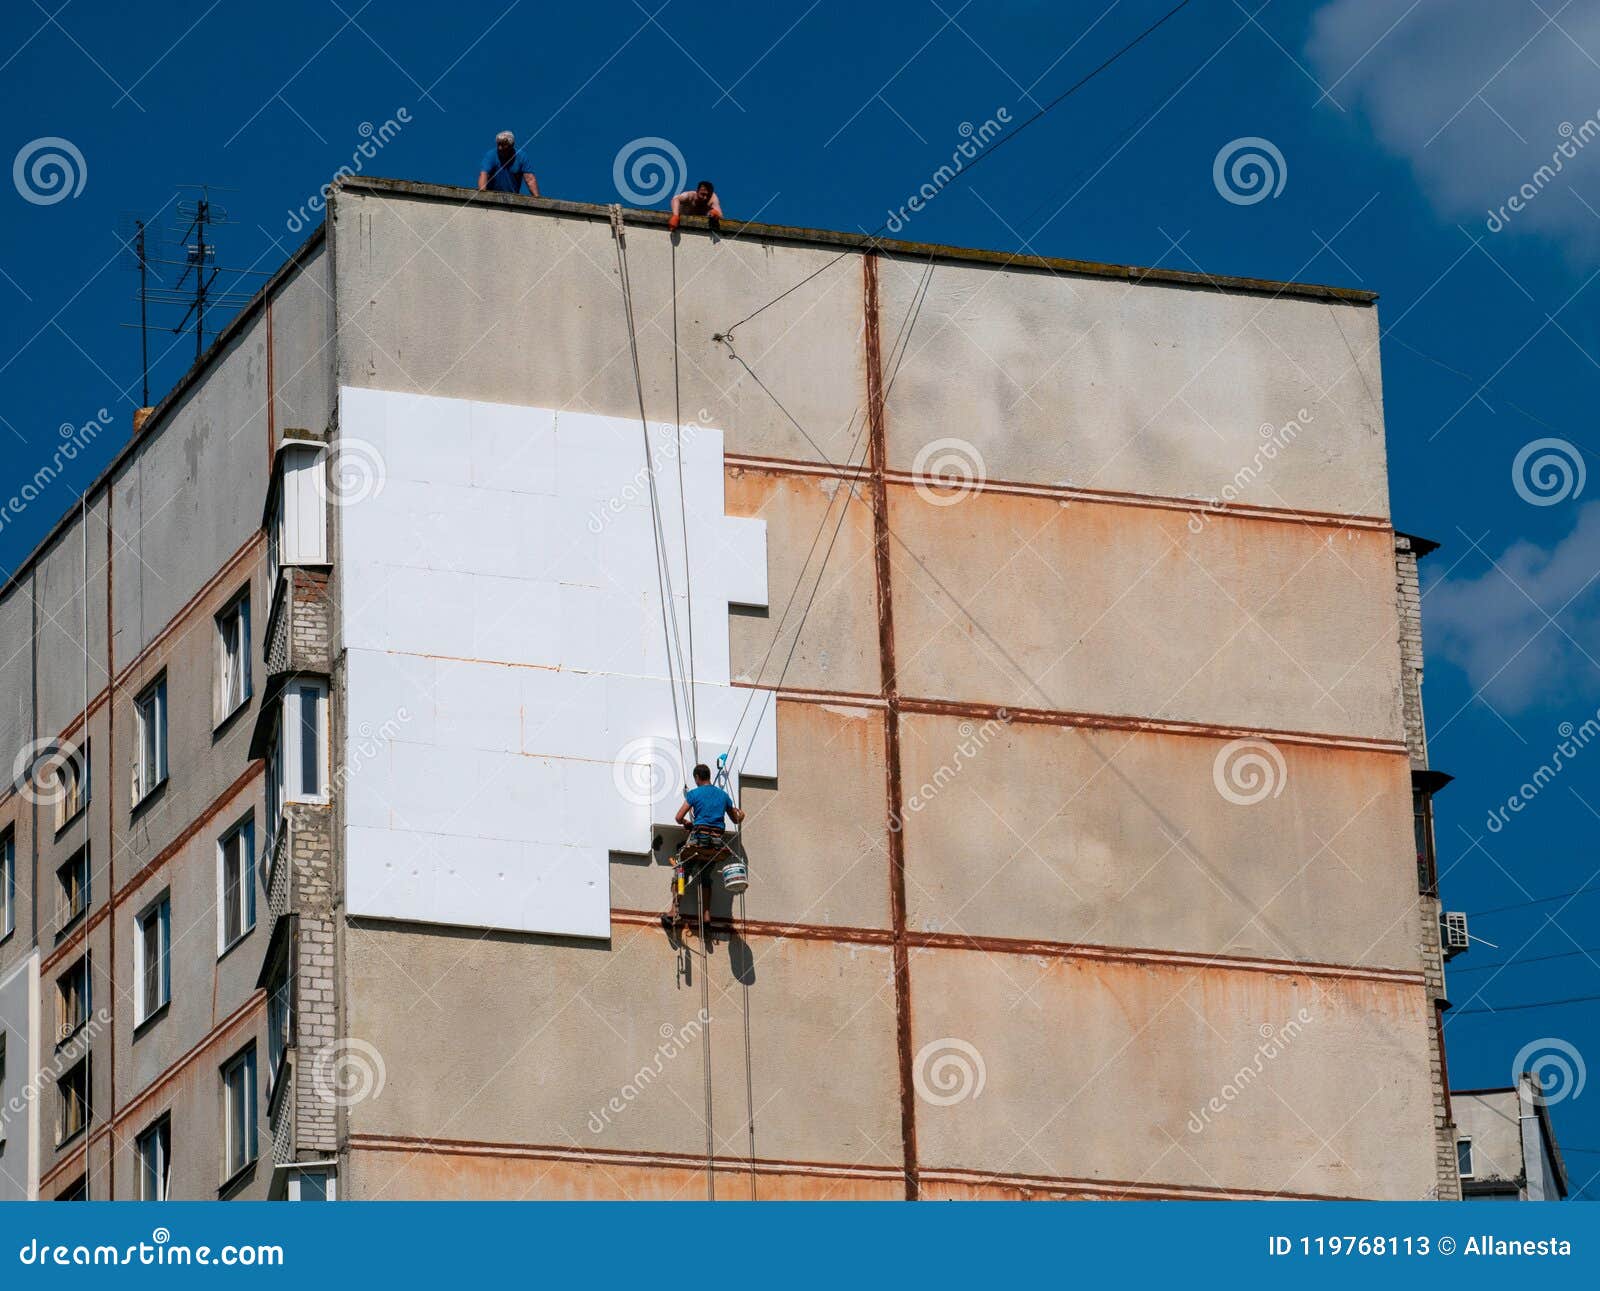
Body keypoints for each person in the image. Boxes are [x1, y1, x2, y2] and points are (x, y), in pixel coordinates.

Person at [478, 131, 538, 196]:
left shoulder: (521, 157)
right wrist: (482, 195)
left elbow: (529, 179)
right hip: (491, 195)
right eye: (498, 144)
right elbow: (484, 174)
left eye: (503, 145)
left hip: (512, 197)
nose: (500, 148)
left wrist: (537, 199)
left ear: (511, 146)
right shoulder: (491, 155)